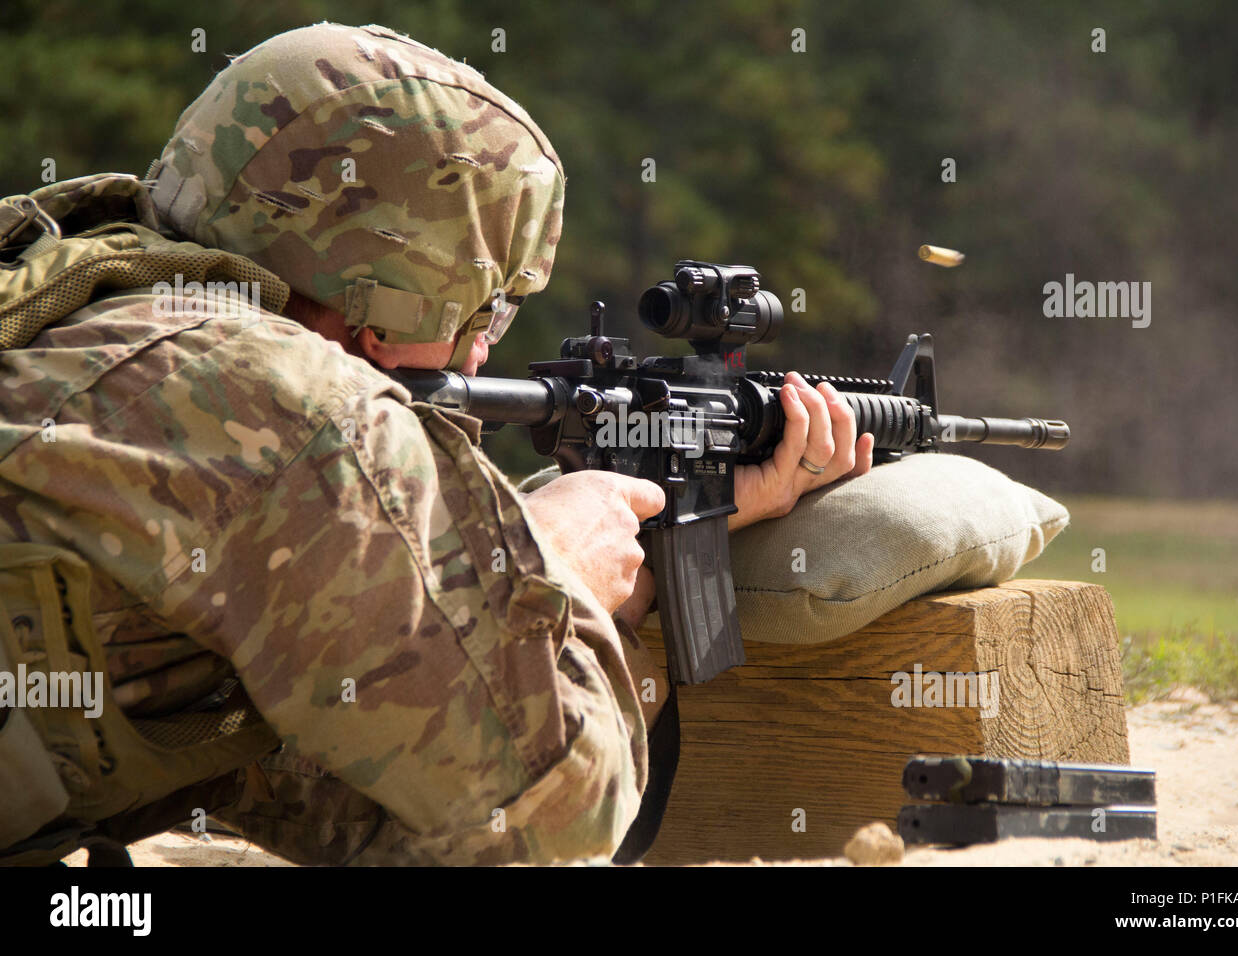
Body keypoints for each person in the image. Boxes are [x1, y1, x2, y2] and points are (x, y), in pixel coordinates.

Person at [0, 22, 870, 865]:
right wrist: (550, 570)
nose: (486, 344)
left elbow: (329, 787)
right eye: (486, 305)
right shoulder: (296, 409)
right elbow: (558, 814)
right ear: (389, 310)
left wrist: (497, 574)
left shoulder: (77, 305)